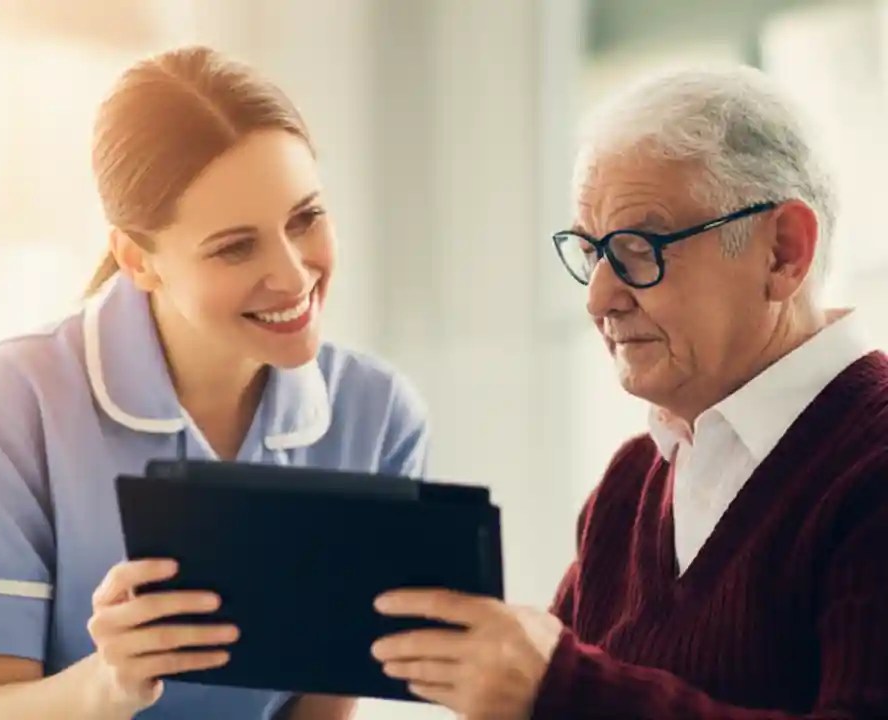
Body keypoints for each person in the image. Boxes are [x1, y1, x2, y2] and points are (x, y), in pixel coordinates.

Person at [0, 45, 429, 720]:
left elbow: (320, 712)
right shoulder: (9, 400)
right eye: (236, 246)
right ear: (137, 259)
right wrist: (110, 683)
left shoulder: (378, 416)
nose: (294, 275)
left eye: (305, 219)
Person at [370, 66, 888, 718]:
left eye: (638, 249)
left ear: (783, 252)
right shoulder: (629, 484)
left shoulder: (871, 466)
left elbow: (561, 694)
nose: (599, 299)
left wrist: (559, 688)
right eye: (592, 253)